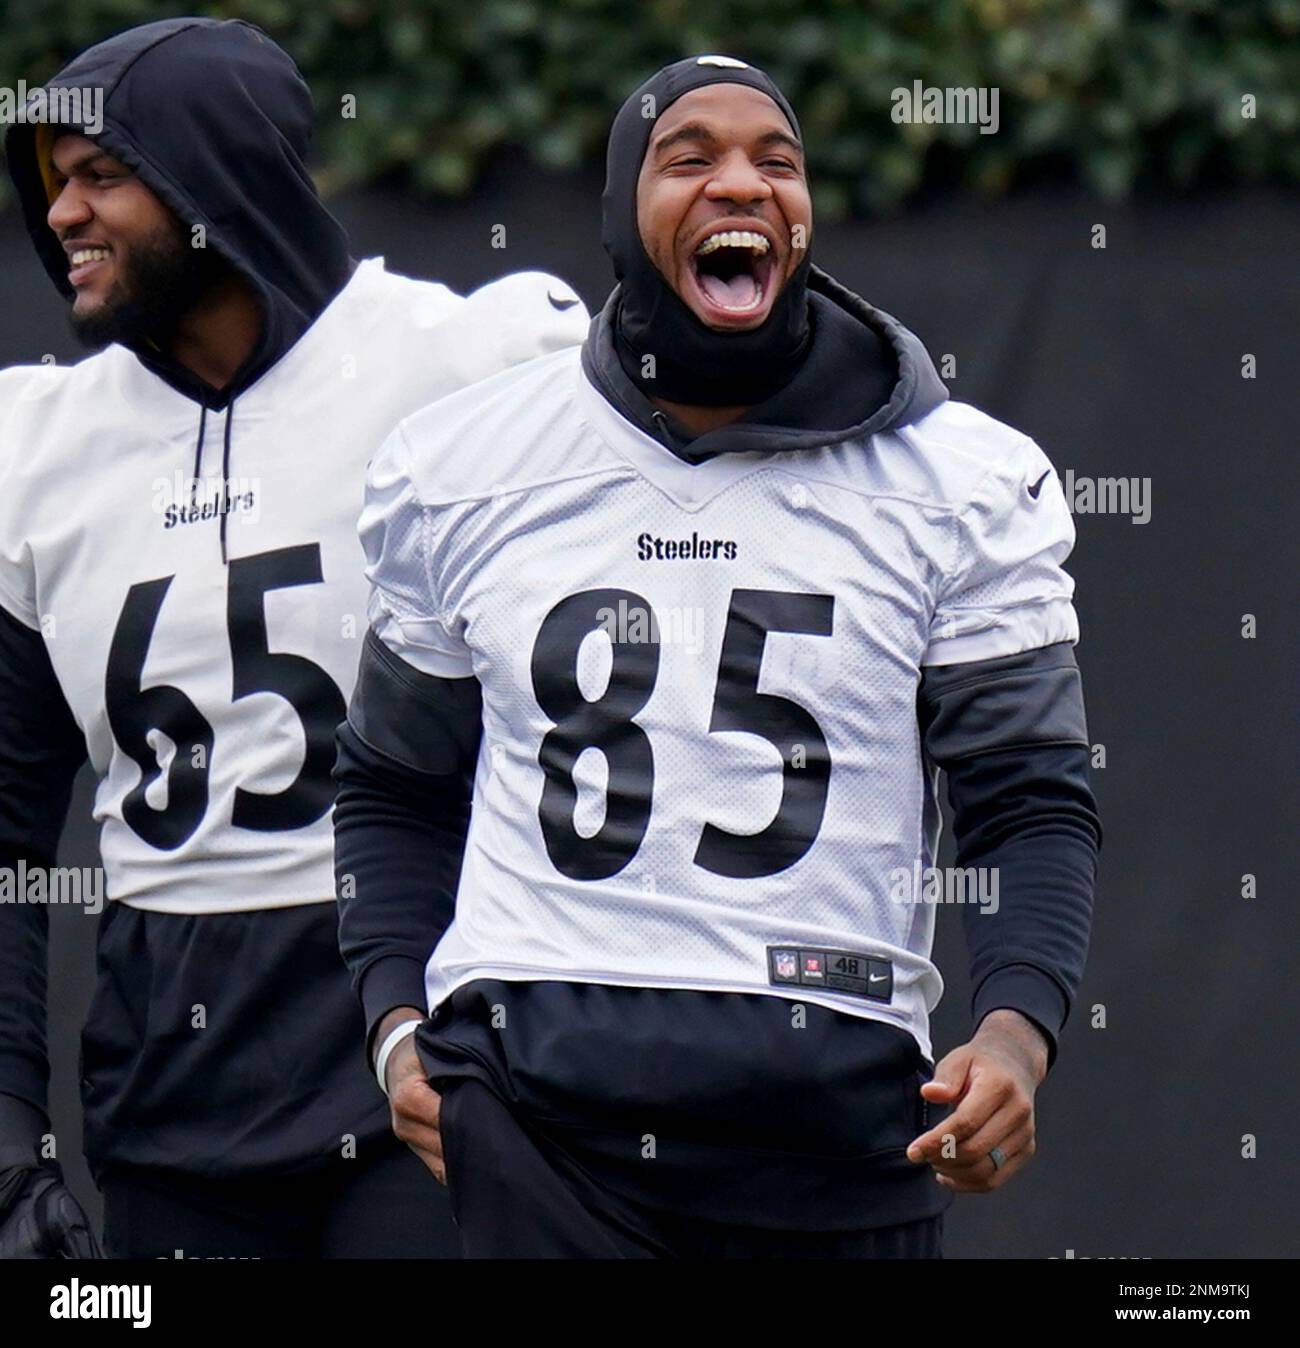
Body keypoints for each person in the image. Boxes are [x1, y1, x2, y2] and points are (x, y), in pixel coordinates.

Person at [333, 55, 1101, 1259]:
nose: (740, 181)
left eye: (776, 161)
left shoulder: (959, 478)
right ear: (616, 214)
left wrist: (1014, 1036)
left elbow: (1027, 801)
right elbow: (393, 786)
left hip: (835, 1128)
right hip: (538, 1117)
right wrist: (394, 1026)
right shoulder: (463, 463)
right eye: (689, 156)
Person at [0, 16, 586, 1259]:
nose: (61, 213)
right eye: (53, 180)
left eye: (100, 173)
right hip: (173, 1085)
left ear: (220, 175)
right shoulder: (34, 446)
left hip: (432, 1037)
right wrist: (8, 1148)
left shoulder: (474, 363)